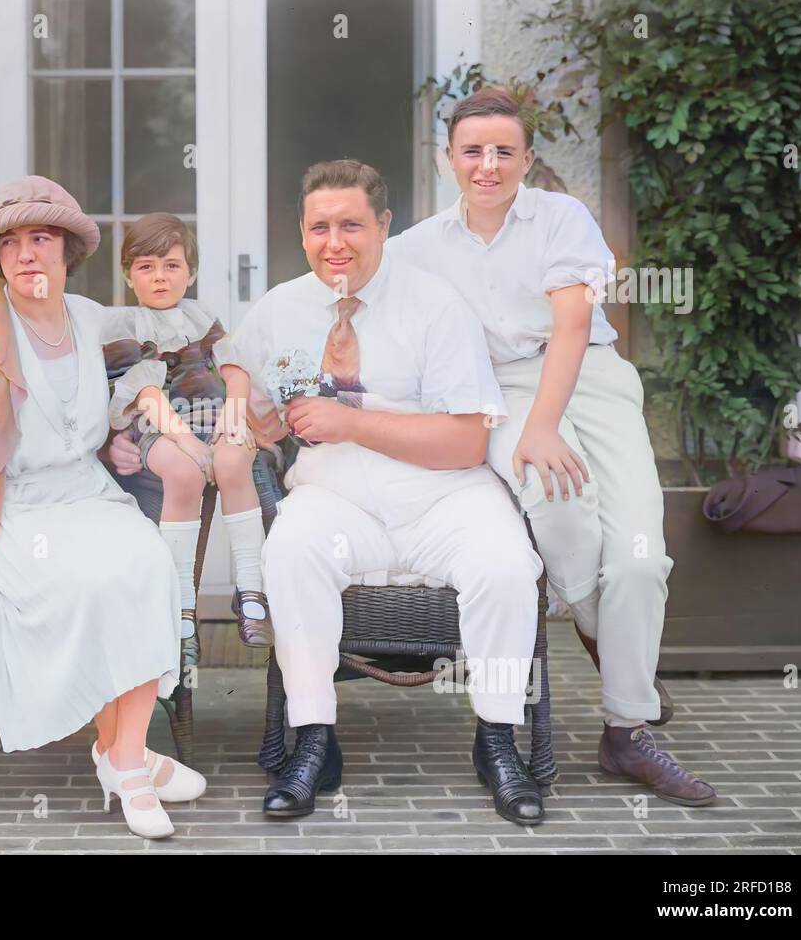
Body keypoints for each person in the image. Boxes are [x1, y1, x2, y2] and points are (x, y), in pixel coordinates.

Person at [390, 86, 714, 806]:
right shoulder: (415, 249)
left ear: (527, 158)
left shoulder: (561, 218)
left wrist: (545, 422)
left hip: (589, 377)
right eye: (472, 150)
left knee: (639, 559)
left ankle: (624, 733)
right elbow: (357, 294)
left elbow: (572, 326)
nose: (488, 164)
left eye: (504, 150)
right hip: (495, 389)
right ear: (448, 159)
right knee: (560, 509)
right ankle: (621, 657)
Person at [210, 159, 548, 825]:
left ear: (384, 226)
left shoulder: (433, 302)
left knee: (508, 566)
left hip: (442, 497)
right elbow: (235, 370)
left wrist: (353, 422)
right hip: (338, 499)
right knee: (293, 549)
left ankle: (498, 739)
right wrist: (246, 415)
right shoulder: (281, 307)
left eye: (351, 225)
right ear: (302, 233)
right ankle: (312, 740)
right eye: (319, 227)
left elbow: (467, 443)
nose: (334, 242)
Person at [0, 176, 207, 840]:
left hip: (89, 492)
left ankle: (122, 753)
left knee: (144, 566)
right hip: (14, 507)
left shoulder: (92, 319)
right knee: (87, 580)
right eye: (13, 243)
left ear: (66, 251)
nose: (27, 254)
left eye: (42, 239)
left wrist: (137, 429)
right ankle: (131, 765)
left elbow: (161, 365)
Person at [104, 213, 273, 657]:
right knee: (184, 473)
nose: (160, 276)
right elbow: (144, 394)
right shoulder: (123, 324)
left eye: (172, 265)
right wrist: (185, 439)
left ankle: (251, 588)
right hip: (159, 424)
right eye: (146, 266)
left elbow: (234, 373)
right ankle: (180, 600)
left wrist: (233, 417)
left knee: (236, 460)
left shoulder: (202, 317)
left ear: (191, 272)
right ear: (128, 273)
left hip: (213, 416)